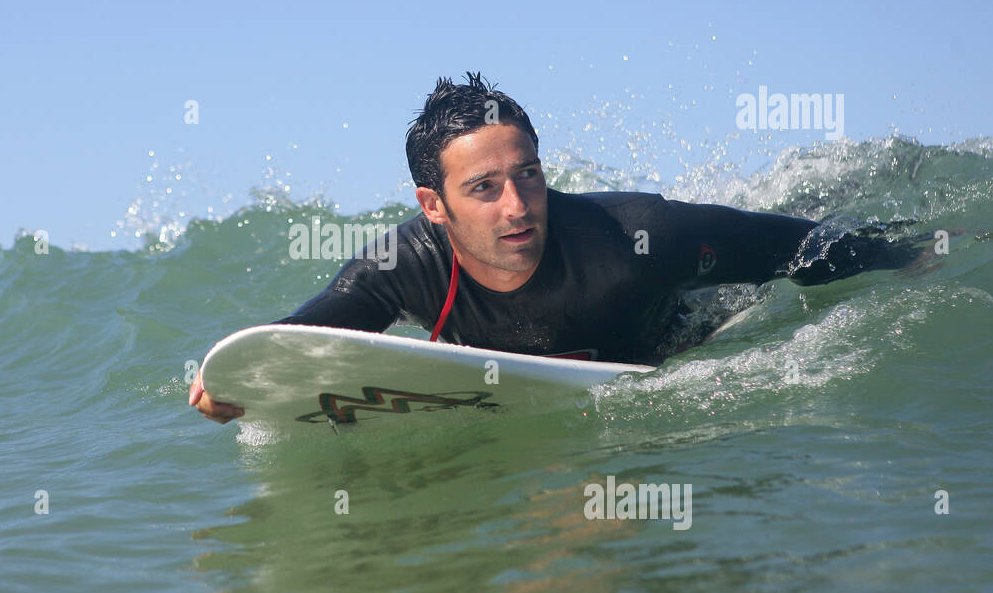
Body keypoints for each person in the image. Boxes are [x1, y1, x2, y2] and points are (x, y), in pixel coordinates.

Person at [190, 72, 933, 423]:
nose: (518, 208)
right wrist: (248, 380)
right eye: (484, 189)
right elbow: (320, 326)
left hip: (684, 327)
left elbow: (788, 244)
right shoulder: (408, 264)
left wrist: (915, 255)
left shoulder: (633, 238)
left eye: (530, 176)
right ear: (433, 206)